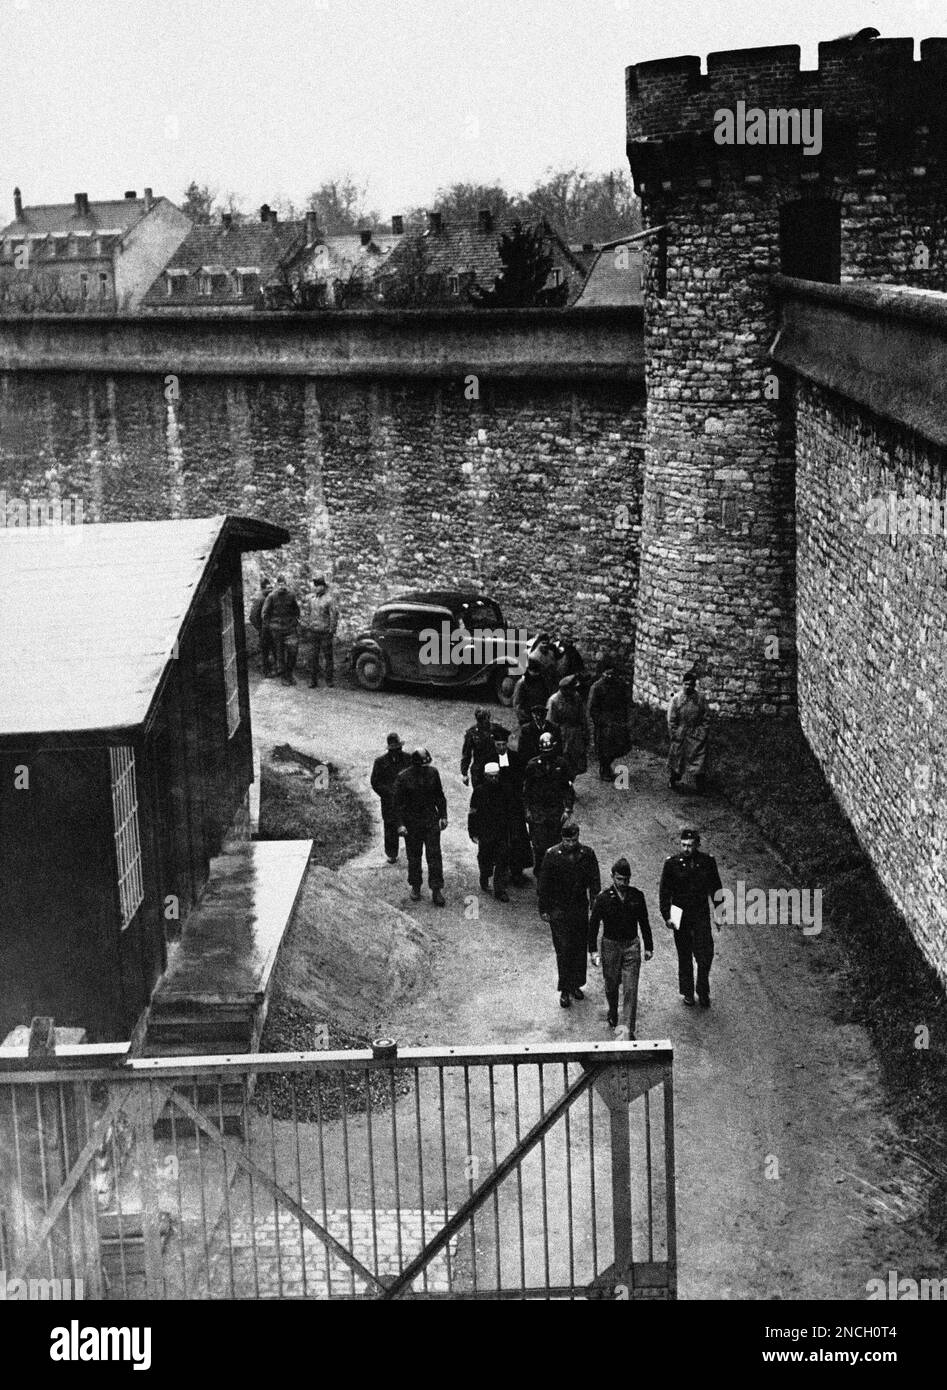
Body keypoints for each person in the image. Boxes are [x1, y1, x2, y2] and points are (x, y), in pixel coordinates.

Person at [538, 821, 601, 1008]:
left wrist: (594, 902)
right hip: (559, 910)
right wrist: (544, 909)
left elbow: (594, 880)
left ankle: (576, 984)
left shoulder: (587, 854)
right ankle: (565, 989)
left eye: (573, 840)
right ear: (562, 838)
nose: (570, 844)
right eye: (566, 840)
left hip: (579, 908)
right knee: (564, 950)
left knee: (579, 947)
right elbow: (544, 884)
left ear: (578, 837)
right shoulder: (552, 855)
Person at [659, 828, 724, 1008]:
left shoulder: (707, 862)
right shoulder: (672, 864)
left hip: (700, 914)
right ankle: (688, 992)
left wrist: (719, 913)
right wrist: (667, 916)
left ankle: (702, 989)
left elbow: (716, 889)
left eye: (690, 845)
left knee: (705, 955)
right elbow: (664, 892)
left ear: (697, 845)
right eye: (683, 845)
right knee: (685, 955)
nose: (686, 849)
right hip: (680, 915)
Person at [589, 857, 653, 1038]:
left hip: (631, 945)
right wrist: (593, 951)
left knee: (630, 988)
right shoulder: (602, 898)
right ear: (612, 877)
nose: (623, 883)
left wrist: (648, 946)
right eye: (619, 879)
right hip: (610, 946)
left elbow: (644, 922)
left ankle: (626, 1029)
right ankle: (612, 1010)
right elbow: (593, 925)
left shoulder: (637, 896)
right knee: (611, 985)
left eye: (626, 880)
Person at [395, 747, 448, 906]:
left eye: (427, 765)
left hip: (431, 820)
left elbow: (440, 796)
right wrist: (400, 825)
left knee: (434, 855)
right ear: (415, 764)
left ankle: (436, 889)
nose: (426, 768)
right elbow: (397, 805)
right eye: (422, 766)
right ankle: (416, 886)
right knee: (414, 856)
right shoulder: (403, 778)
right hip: (412, 823)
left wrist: (444, 816)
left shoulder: (433, 773)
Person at [523, 732, 575, 878]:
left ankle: (552, 871)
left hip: (554, 810)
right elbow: (526, 791)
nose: (547, 754)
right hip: (537, 810)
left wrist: (567, 809)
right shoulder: (533, 765)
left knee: (554, 842)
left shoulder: (561, 765)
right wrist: (527, 810)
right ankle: (540, 871)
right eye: (544, 751)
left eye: (549, 751)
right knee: (538, 844)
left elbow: (568, 788)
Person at [492, 728, 531, 883]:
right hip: (498, 807)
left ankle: (517, 870)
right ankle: (500, 870)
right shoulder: (489, 759)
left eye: (503, 744)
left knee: (517, 837)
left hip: (514, 805)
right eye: (498, 745)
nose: (501, 748)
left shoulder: (515, 758)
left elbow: (522, 778)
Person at [467, 762, 511, 901]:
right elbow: (473, 813)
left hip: (501, 830)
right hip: (485, 831)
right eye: (491, 777)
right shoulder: (479, 792)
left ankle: (500, 889)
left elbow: (510, 811)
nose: (494, 779)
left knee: (502, 859)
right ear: (485, 776)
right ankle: (485, 875)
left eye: (496, 777)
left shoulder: (504, 790)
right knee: (485, 858)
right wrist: (472, 832)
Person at [588, 659, 631, 783]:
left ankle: (607, 766)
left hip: (616, 721)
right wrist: (599, 721)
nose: (610, 676)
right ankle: (604, 769)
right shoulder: (596, 687)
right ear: (602, 673)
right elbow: (592, 708)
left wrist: (624, 719)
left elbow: (624, 703)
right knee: (604, 748)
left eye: (612, 673)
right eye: (607, 674)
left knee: (618, 747)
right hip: (604, 723)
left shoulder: (618, 685)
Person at [370, 732, 411, 863]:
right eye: (393, 749)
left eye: (398, 748)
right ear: (389, 749)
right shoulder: (380, 762)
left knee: (409, 824)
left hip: (405, 800)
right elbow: (375, 782)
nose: (396, 751)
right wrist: (387, 793)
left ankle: (412, 853)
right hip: (389, 801)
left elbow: (414, 776)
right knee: (390, 826)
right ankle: (392, 854)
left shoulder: (408, 759)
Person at [667, 670, 710, 793]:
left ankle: (701, 786)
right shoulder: (676, 699)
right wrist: (674, 734)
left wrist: (702, 733)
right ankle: (673, 780)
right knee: (678, 759)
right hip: (681, 733)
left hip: (696, 734)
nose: (688, 687)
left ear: (694, 685)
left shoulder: (700, 699)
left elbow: (706, 718)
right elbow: (671, 720)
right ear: (682, 684)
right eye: (686, 684)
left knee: (699, 760)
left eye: (691, 684)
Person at [546, 674, 589, 782]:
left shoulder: (576, 697)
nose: (574, 691)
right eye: (572, 689)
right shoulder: (554, 701)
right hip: (562, 736)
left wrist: (585, 733)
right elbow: (550, 723)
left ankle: (570, 784)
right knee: (562, 763)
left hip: (576, 735)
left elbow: (582, 716)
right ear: (565, 690)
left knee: (576, 763)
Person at [261, 573, 301, 685]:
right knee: (280, 654)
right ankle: (284, 677)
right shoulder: (271, 597)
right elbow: (264, 613)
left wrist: (294, 621)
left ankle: (289, 674)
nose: (282, 587)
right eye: (280, 585)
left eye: (284, 585)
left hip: (290, 629)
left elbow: (296, 610)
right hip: (276, 630)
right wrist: (270, 626)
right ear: (277, 585)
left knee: (293, 651)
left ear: (286, 585)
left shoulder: (291, 595)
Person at [307, 575, 339, 688]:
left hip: (325, 633)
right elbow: (309, 613)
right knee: (313, 657)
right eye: (316, 586)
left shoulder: (330, 599)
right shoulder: (312, 599)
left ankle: (329, 680)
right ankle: (313, 680)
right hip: (314, 632)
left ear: (324, 587)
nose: (317, 588)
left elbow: (334, 615)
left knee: (328, 657)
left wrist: (332, 630)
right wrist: (309, 625)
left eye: (319, 586)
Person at [460, 707, 504, 789]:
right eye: (480, 720)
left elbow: (504, 748)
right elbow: (466, 754)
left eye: (485, 719)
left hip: (494, 768)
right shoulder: (472, 733)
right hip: (479, 769)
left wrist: (505, 767)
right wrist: (464, 773)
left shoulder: (497, 730)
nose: (483, 723)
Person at [512, 658, 550, 730]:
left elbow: (546, 697)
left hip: (540, 717)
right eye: (534, 671)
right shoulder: (522, 683)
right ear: (529, 670)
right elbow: (517, 704)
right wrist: (525, 719)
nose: (536, 674)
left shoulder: (542, 681)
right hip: (527, 719)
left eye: (537, 672)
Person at [248, 576, 274, 676]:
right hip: (264, 631)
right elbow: (252, 617)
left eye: (271, 587)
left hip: (271, 629)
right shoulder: (260, 600)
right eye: (268, 588)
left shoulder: (269, 598)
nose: (271, 589)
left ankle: (274, 669)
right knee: (265, 651)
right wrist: (260, 628)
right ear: (263, 589)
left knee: (273, 649)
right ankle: (266, 671)